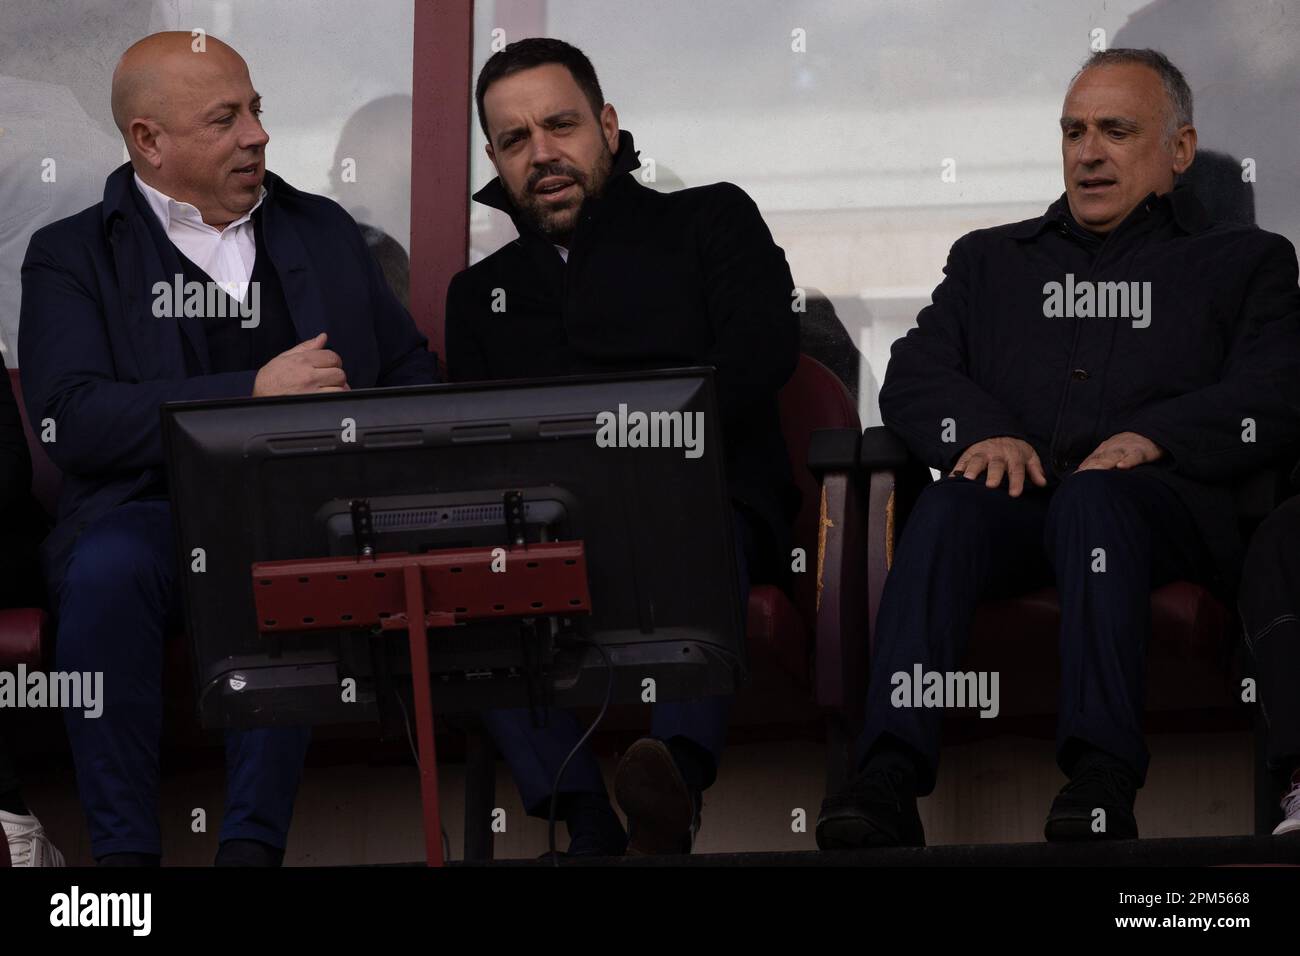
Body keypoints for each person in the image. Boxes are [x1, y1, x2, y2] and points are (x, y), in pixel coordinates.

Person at [817, 48, 1300, 849]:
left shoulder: (1244, 261)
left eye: (1116, 130)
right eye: (1074, 131)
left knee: (1095, 498)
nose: (1088, 152)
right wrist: (982, 433)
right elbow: (913, 375)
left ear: (1178, 150)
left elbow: (1278, 388)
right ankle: (887, 779)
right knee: (945, 508)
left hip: (1164, 514)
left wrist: (1158, 436)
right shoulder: (990, 260)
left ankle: (1102, 780)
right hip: (1023, 508)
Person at [18, 32, 436, 866]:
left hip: (298, 511)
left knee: (287, 556)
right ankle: (123, 870)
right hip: (140, 519)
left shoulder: (322, 230)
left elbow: (410, 367)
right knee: (106, 573)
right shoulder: (70, 254)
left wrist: (391, 439)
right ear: (148, 141)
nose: (258, 135)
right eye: (226, 118)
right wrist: (251, 393)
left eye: (257, 110)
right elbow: (72, 419)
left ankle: (249, 856)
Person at [445, 38, 799, 856]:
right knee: (455, 572)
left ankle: (669, 788)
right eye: (514, 139)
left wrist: (637, 441)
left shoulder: (709, 219)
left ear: (606, 124)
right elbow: (476, 448)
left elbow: (762, 355)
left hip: (703, 504)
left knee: (693, 517)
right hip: (546, 532)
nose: (543, 154)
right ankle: (587, 818)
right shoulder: (479, 297)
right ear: (496, 158)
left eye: (561, 125)